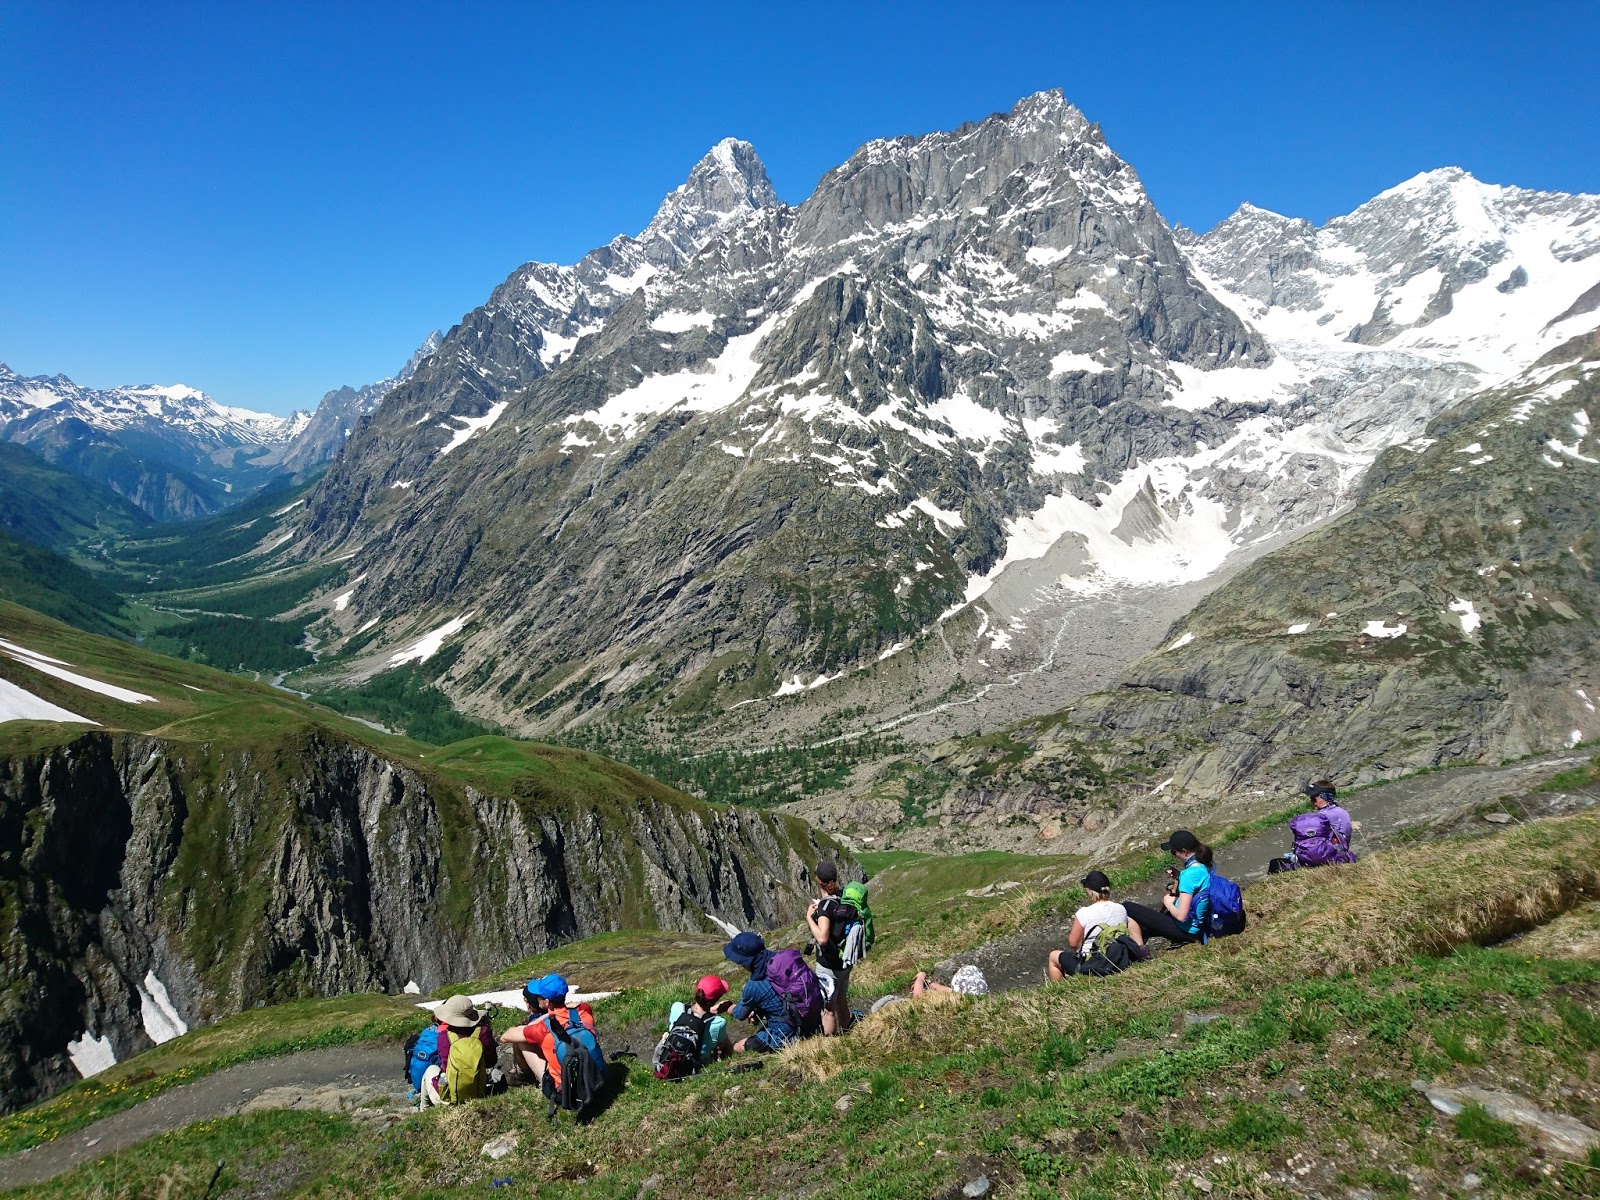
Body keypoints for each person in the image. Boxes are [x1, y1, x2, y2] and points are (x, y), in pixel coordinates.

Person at [498, 974, 599, 1100]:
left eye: (539, 996)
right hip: (595, 1078)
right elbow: (572, 1008)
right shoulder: (583, 1010)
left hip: (565, 1092)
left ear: (546, 1001)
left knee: (521, 1041)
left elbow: (505, 1037)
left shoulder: (543, 1027)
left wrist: (545, 1016)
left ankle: (522, 1077)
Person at [719, 932, 821, 1052]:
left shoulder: (754, 985)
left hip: (786, 1032)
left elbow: (741, 1014)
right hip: (814, 1017)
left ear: (746, 961)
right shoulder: (784, 959)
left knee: (738, 1046)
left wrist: (728, 1007)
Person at [1045, 870, 1146, 979]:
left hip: (1094, 963)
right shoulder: (1121, 909)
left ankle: (1062, 990)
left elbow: (1073, 943)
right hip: (1119, 958)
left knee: (1053, 956)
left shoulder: (1084, 913)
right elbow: (1129, 924)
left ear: (1091, 891)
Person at [1123, 831, 1212, 946]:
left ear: (1184, 851)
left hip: (1187, 930)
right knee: (1142, 926)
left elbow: (1181, 915)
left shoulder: (1188, 875)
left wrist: (1168, 903)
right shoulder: (1203, 866)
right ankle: (1138, 949)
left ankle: (1137, 952)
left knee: (1128, 907)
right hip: (1198, 924)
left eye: (1173, 852)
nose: (1173, 854)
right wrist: (1178, 878)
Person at [805, 859, 855, 1035]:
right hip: (845, 960)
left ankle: (831, 1045)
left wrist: (810, 918)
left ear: (818, 881)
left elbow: (823, 937)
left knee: (828, 1008)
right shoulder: (842, 896)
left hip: (828, 965)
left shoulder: (825, 905)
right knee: (841, 1000)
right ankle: (848, 1032)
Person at [1268, 781, 1358, 873]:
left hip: (1328, 858)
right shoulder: (1342, 812)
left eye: (1314, 798)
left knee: (1275, 864)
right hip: (1339, 855)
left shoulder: (1322, 818)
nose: (1312, 802)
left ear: (1326, 797)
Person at [421, 994, 495, 1105]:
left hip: (450, 1097)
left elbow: (445, 1066)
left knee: (430, 1070)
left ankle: (424, 1111)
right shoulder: (483, 1032)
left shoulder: (444, 1036)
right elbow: (491, 1062)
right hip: (479, 1092)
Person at [654, 975, 733, 1077]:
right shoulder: (718, 1023)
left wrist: (712, 1010)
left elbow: (695, 1015)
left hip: (668, 1059)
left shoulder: (677, 1007)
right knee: (725, 1043)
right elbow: (722, 1047)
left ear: (697, 992)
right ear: (717, 999)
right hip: (695, 1067)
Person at [868, 964, 988, 1013]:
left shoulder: (951, 1003)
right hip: (908, 1003)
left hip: (907, 1007)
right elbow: (945, 989)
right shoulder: (965, 996)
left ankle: (884, 1005)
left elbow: (918, 997)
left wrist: (920, 978)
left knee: (876, 1008)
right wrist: (930, 984)